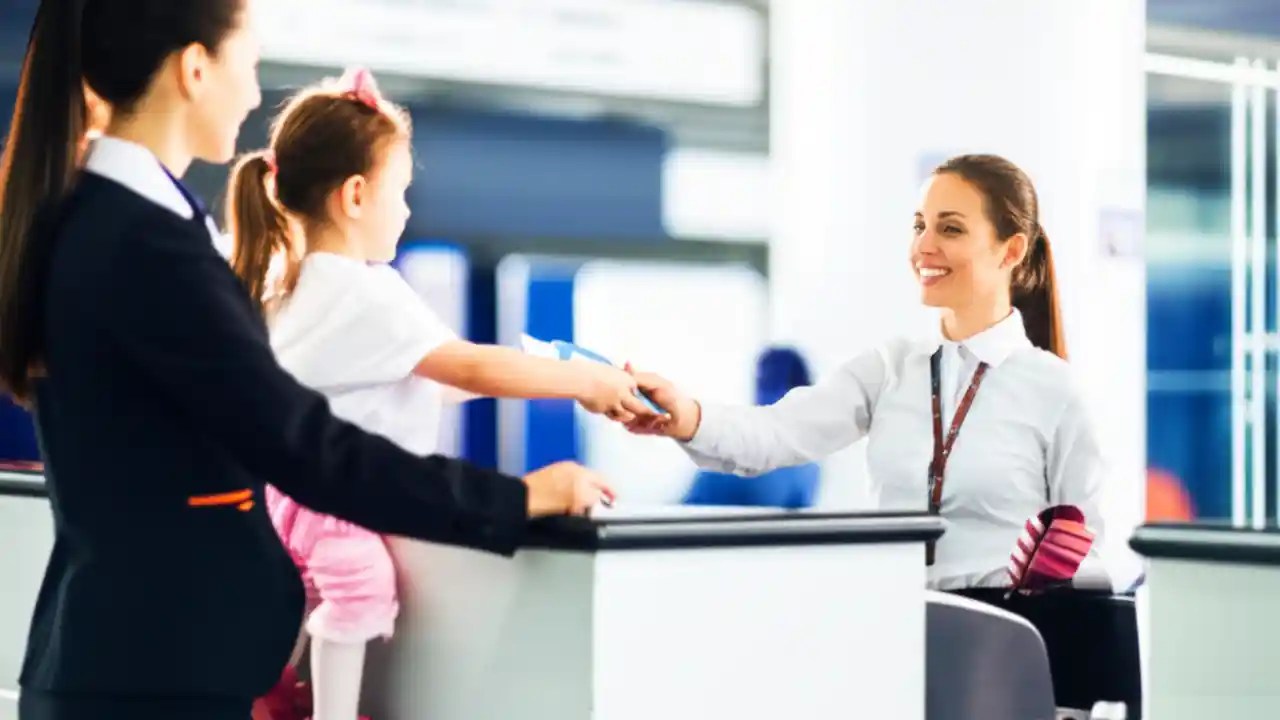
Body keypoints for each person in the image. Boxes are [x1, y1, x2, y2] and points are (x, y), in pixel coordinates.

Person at [0, 2, 613, 719]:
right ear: (194, 70)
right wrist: (516, 500)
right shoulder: (142, 246)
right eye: (250, 65)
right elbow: (304, 447)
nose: (257, 95)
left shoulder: (110, 222)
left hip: (135, 659)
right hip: (155, 676)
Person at [225, 68, 658, 720]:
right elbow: (467, 369)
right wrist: (586, 382)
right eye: (400, 192)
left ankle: (284, 697)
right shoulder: (363, 290)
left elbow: (415, 382)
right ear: (355, 196)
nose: (405, 209)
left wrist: (544, 366)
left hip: (282, 502)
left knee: (317, 605)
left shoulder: (294, 284)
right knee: (362, 590)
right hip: (329, 506)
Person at [626, 154, 1129, 593]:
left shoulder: (1054, 389)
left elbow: (1089, 550)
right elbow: (775, 434)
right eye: (919, 226)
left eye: (950, 228)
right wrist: (687, 416)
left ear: (1011, 251)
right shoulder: (892, 368)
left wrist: (1051, 574)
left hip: (1010, 636)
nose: (923, 246)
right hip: (897, 623)